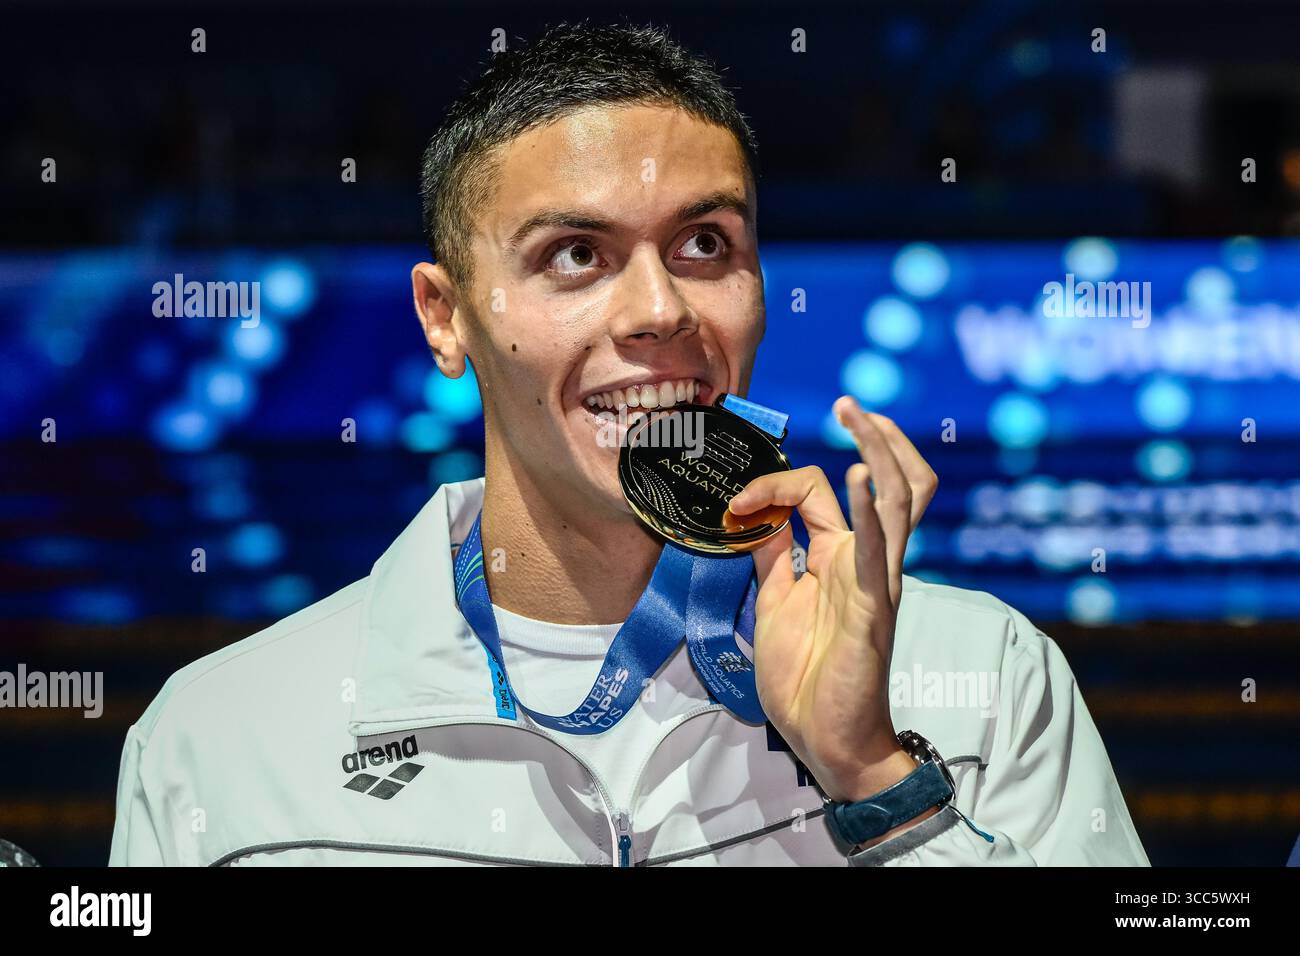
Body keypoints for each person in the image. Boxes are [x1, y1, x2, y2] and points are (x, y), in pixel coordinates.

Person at [109, 21, 1150, 867]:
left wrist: (877, 781)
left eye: (705, 244)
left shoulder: (980, 674)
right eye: (575, 254)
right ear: (444, 317)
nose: (658, 309)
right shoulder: (225, 739)